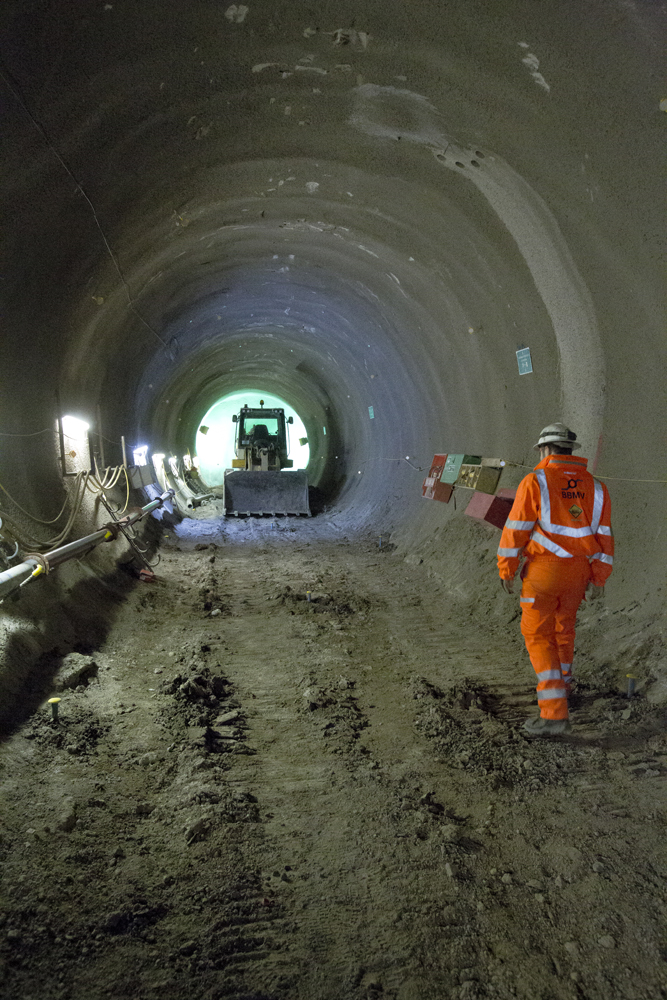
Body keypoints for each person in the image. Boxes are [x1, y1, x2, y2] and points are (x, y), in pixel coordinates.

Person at [497, 423, 614, 735]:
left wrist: (506, 568)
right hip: (578, 574)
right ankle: (565, 687)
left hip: (543, 573)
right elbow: (604, 537)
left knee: (538, 635)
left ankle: (553, 715)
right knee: (564, 628)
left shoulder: (536, 480)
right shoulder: (597, 487)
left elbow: (516, 529)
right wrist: (598, 578)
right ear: (570, 451)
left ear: (544, 450)